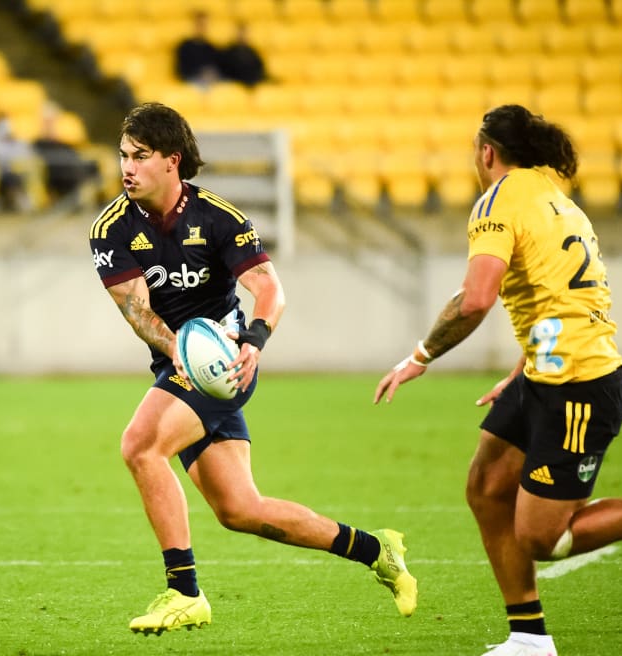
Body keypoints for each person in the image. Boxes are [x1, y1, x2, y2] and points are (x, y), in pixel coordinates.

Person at [373, 104, 622, 656]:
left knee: (546, 538)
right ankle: (528, 637)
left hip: (579, 387)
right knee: (487, 488)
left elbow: (474, 300)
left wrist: (421, 355)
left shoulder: (497, 202)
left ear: (486, 151)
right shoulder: (555, 200)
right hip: (547, 372)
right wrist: (522, 370)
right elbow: (559, 300)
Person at [88, 102, 417, 635]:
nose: (126, 166)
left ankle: (184, 591)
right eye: (123, 155)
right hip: (181, 364)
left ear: (172, 161)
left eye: (140, 156)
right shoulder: (111, 229)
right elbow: (136, 310)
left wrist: (255, 341)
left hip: (226, 365)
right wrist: (177, 352)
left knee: (141, 445)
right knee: (241, 509)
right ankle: (376, 551)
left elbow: (269, 288)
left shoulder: (219, 217)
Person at [32, 111, 98, 208]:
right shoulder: (38, 141)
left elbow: (77, 148)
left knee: (91, 168)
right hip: (54, 170)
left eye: (51, 121)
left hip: (71, 167)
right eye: (46, 122)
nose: (49, 124)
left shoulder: (65, 138)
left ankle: (81, 201)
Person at [0, 112, 33, 212]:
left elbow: (25, 154)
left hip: (11, 173)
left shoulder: (17, 142)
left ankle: (2, 201)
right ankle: (17, 200)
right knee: (9, 178)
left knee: (12, 177)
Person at [174, 10, 222, 88]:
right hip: (192, 81)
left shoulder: (210, 47)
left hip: (210, 81)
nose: (203, 28)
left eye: (205, 25)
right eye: (200, 24)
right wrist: (199, 74)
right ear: (194, 25)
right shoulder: (184, 46)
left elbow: (215, 68)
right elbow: (181, 71)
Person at [220, 22, 266, 87]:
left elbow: (259, 71)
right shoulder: (228, 52)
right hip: (232, 85)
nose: (242, 36)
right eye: (240, 33)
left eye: (245, 33)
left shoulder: (253, 53)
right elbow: (224, 71)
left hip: (250, 85)